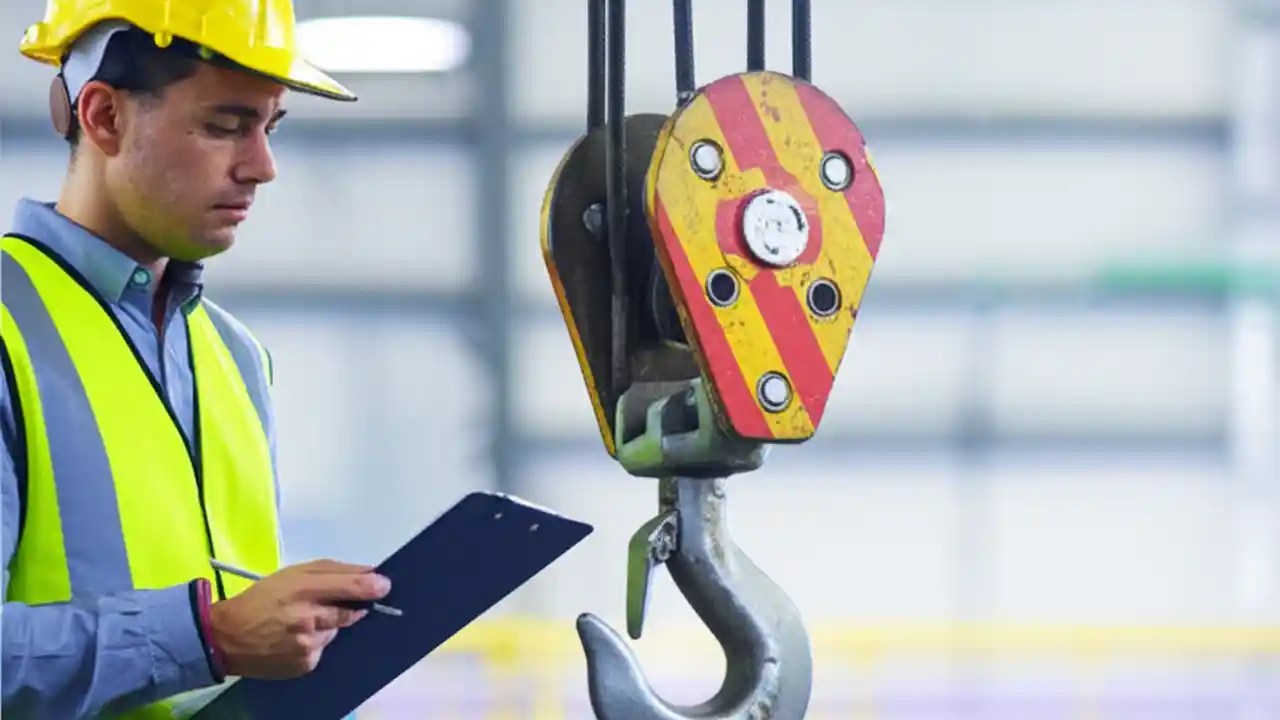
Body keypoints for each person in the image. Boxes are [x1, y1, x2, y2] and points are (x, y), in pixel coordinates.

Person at [2, 2, 392, 717]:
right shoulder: (7, 326)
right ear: (104, 117)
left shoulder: (235, 356)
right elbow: (218, 639)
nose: (263, 167)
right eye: (225, 126)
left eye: (270, 128)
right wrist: (211, 635)